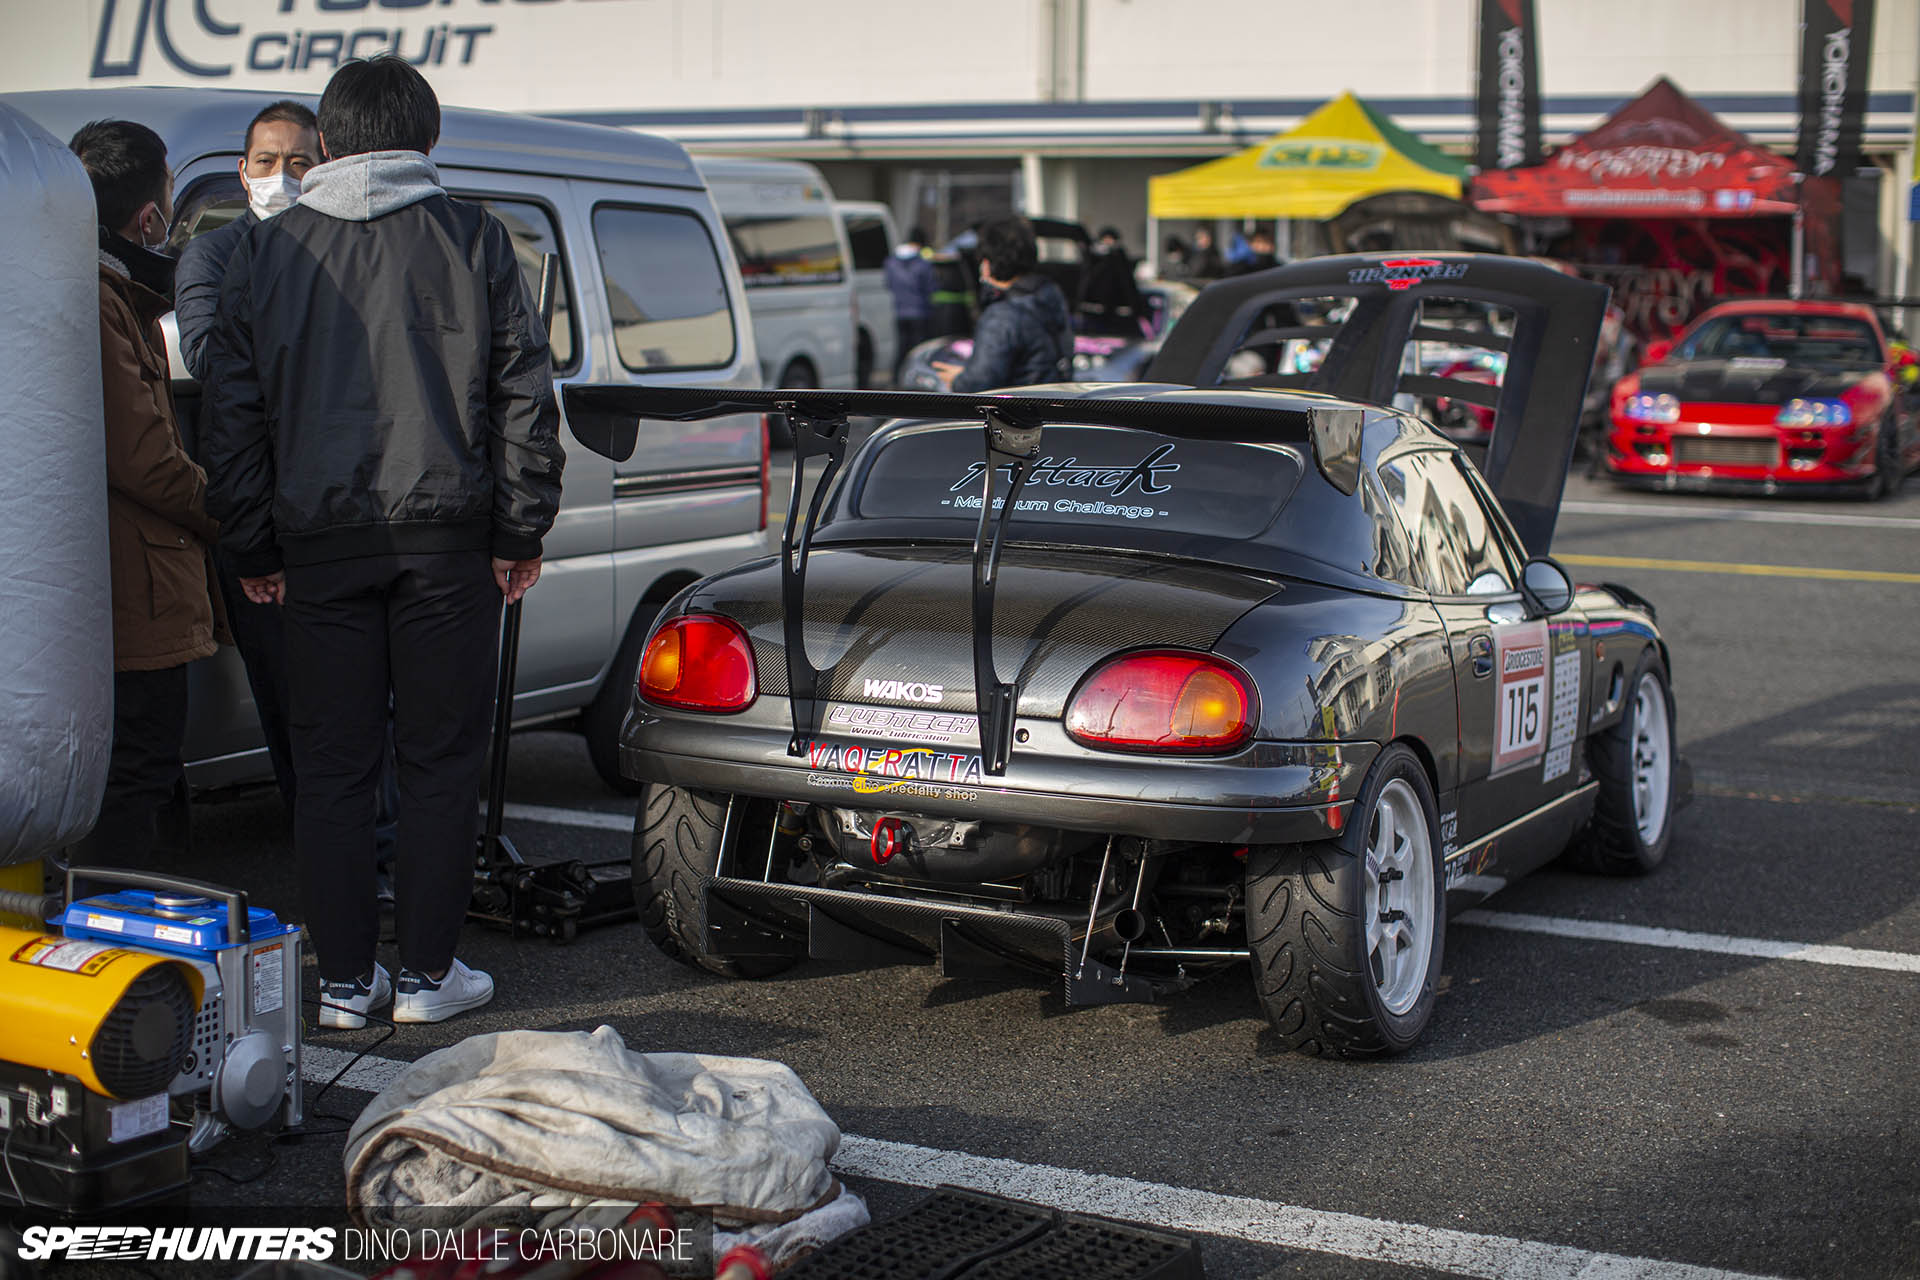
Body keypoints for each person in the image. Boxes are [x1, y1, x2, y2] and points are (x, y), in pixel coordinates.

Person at [204, 56, 565, 1028]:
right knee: (441, 759)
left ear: (325, 146)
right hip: (450, 545)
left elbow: (232, 416)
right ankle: (426, 975)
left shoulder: (265, 253)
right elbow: (525, 396)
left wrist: (252, 547)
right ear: (429, 141)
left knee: (332, 768)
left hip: (318, 544)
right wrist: (520, 527)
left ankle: (343, 982)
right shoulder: (477, 238)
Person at [68, 120, 225, 868]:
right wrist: (226, 506)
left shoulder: (93, 290)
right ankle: (126, 965)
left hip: (122, 585)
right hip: (137, 592)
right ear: (150, 217)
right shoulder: (99, 301)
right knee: (136, 775)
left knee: (147, 777)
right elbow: (146, 459)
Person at [173, 100, 321, 814]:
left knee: (361, 708)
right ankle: (329, 864)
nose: (282, 177)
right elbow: (204, 355)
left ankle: (376, 860)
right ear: (242, 171)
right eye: (267, 162)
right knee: (293, 706)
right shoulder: (215, 252)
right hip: (261, 514)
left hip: (340, 515)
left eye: (299, 163)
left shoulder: (340, 247)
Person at [933, 217, 1074, 393]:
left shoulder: (1002, 314)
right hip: (1052, 405)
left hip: (1017, 413)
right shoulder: (1051, 296)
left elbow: (981, 381)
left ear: (986, 264)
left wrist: (958, 380)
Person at [883, 224, 936, 368]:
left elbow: (888, 285)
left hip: (900, 311)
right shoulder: (923, 263)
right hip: (920, 312)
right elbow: (930, 288)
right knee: (919, 350)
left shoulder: (891, 262)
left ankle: (896, 378)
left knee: (902, 348)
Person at [1076, 225, 1144, 337]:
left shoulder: (1119, 258)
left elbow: (1127, 284)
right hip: (1094, 312)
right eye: (1106, 239)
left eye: (1111, 240)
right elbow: (1085, 282)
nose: (1108, 243)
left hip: (1116, 314)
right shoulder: (1092, 257)